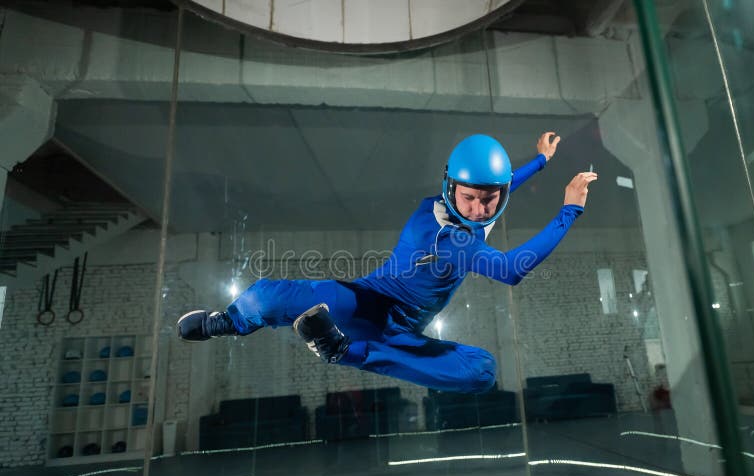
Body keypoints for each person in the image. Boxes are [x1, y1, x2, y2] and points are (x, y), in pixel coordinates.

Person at [177, 133, 597, 393]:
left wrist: (540, 161)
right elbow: (511, 269)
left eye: (489, 200)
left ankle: (340, 349)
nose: (477, 209)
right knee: (271, 296)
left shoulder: (479, 203)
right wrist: (569, 210)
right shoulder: (444, 234)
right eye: (468, 197)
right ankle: (228, 322)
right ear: (450, 188)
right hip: (366, 303)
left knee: (482, 372)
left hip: (403, 332)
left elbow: (499, 185)